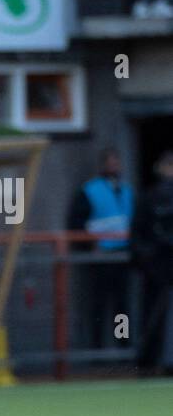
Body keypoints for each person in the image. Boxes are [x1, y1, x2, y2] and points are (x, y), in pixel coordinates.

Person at [69, 148, 134, 351]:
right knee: (99, 304)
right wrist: (89, 244)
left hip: (122, 255)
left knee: (121, 305)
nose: (114, 166)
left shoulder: (127, 190)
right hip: (100, 255)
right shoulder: (90, 190)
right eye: (110, 162)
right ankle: (97, 348)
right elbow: (76, 222)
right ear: (103, 165)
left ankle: (122, 345)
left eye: (117, 162)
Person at [132, 149, 173, 373]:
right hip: (158, 267)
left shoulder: (149, 196)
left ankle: (150, 362)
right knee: (153, 315)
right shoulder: (150, 196)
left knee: (155, 315)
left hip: (156, 265)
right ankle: (149, 362)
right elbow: (140, 233)